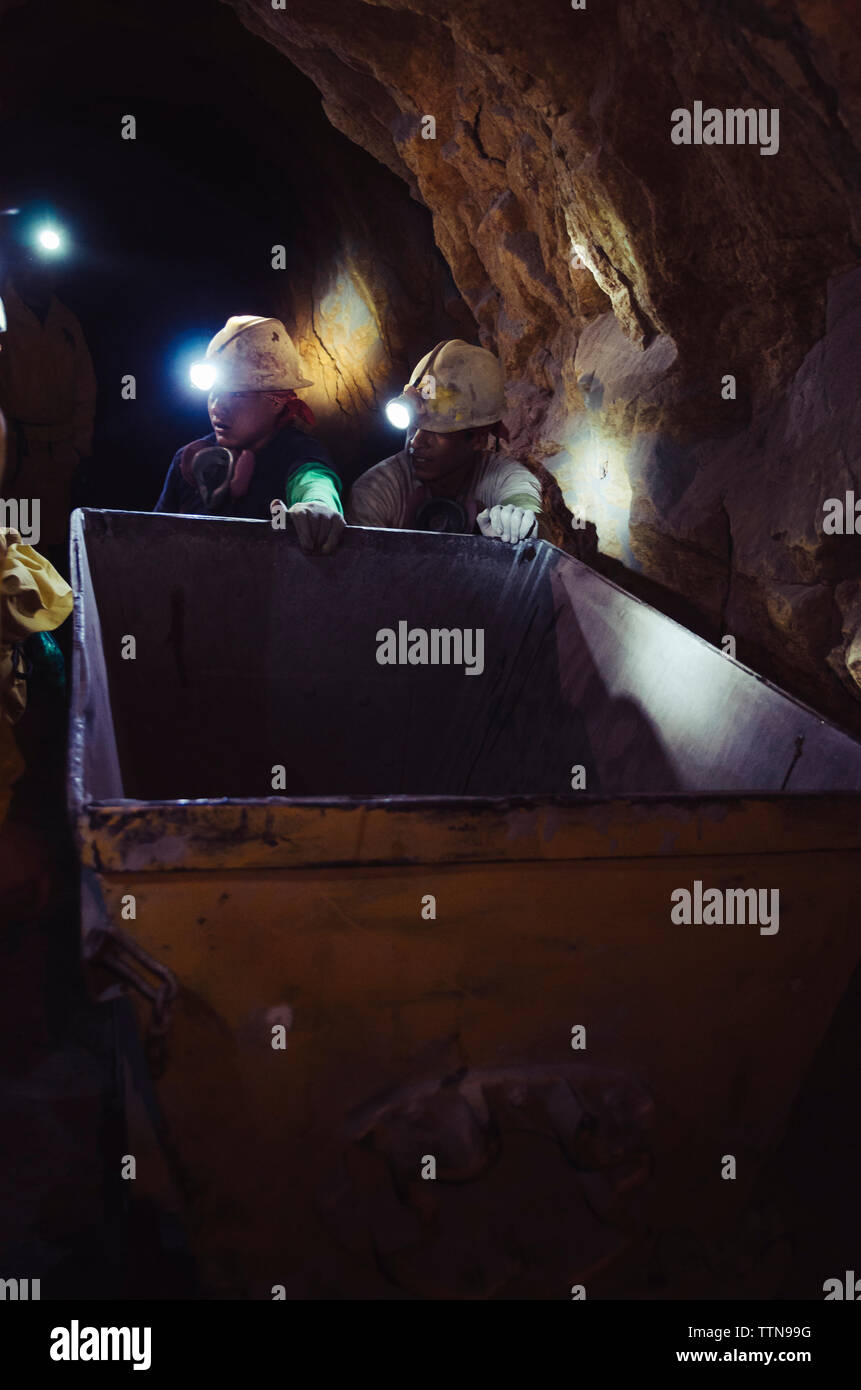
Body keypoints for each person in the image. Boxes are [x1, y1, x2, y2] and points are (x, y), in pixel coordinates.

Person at [155, 315, 345, 554]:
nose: (217, 407)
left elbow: (314, 480)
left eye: (236, 394)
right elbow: (154, 537)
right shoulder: (188, 459)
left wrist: (318, 505)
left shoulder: (297, 454)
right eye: (213, 393)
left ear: (276, 401)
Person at [347, 339, 546, 543]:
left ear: (478, 438)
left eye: (437, 432)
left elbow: (523, 499)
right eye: (414, 427)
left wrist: (518, 517)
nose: (416, 442)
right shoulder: (375, 490)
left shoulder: (503, 477)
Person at [0, 228, 97, 571]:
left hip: (57, 458)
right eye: (34, 263)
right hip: (15, 457)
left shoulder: (65, 320)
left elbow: (86, 387)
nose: (42, 273)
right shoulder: (3, 313)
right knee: (16, 550)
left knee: (53, 551)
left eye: (48, 265)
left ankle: (51, 624)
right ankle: (17, 625)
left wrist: (78, 448)